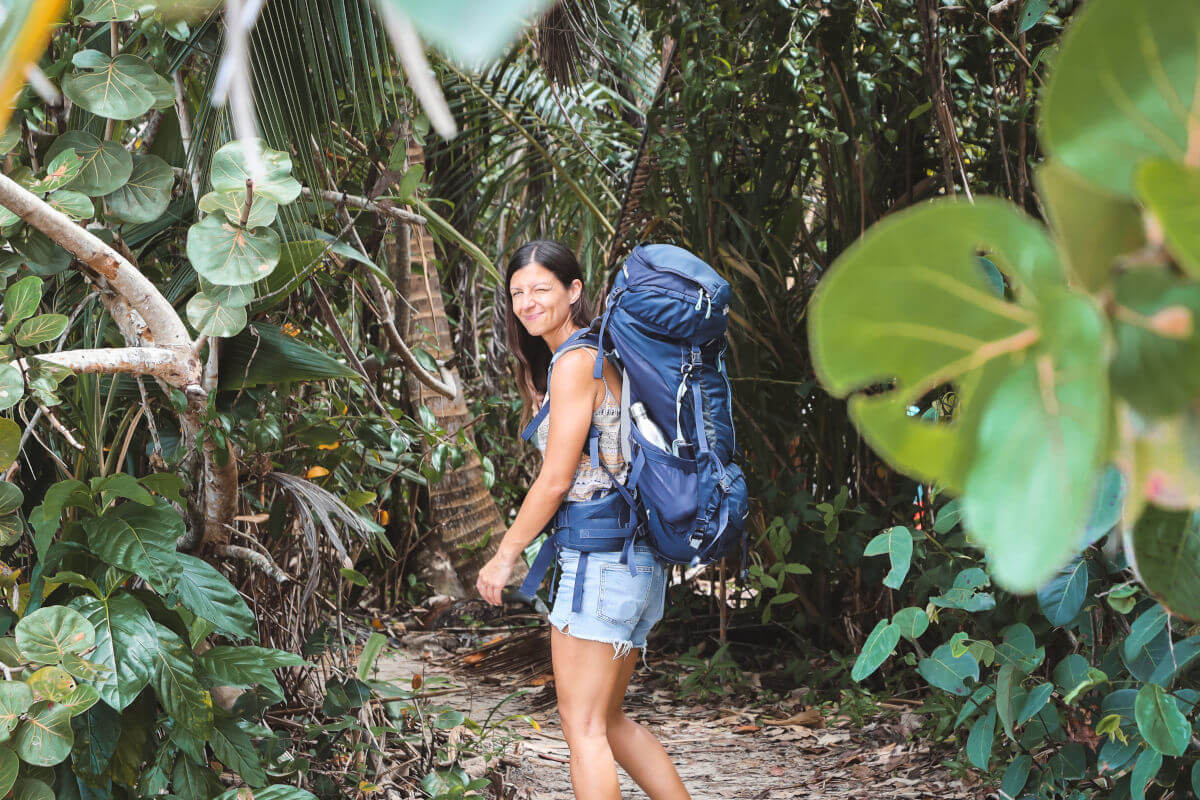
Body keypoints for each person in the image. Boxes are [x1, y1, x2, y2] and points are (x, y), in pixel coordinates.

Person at [476, 240, 691, 800]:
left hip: (600, 563)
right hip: (634, 563)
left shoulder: (575, 362)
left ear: (573, 290)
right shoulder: (599, 354)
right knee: (611, 723)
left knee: (585, 729)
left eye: (541, 288)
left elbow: (554, 480)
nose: (527, 301)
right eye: (518, 292)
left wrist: (505, 556)